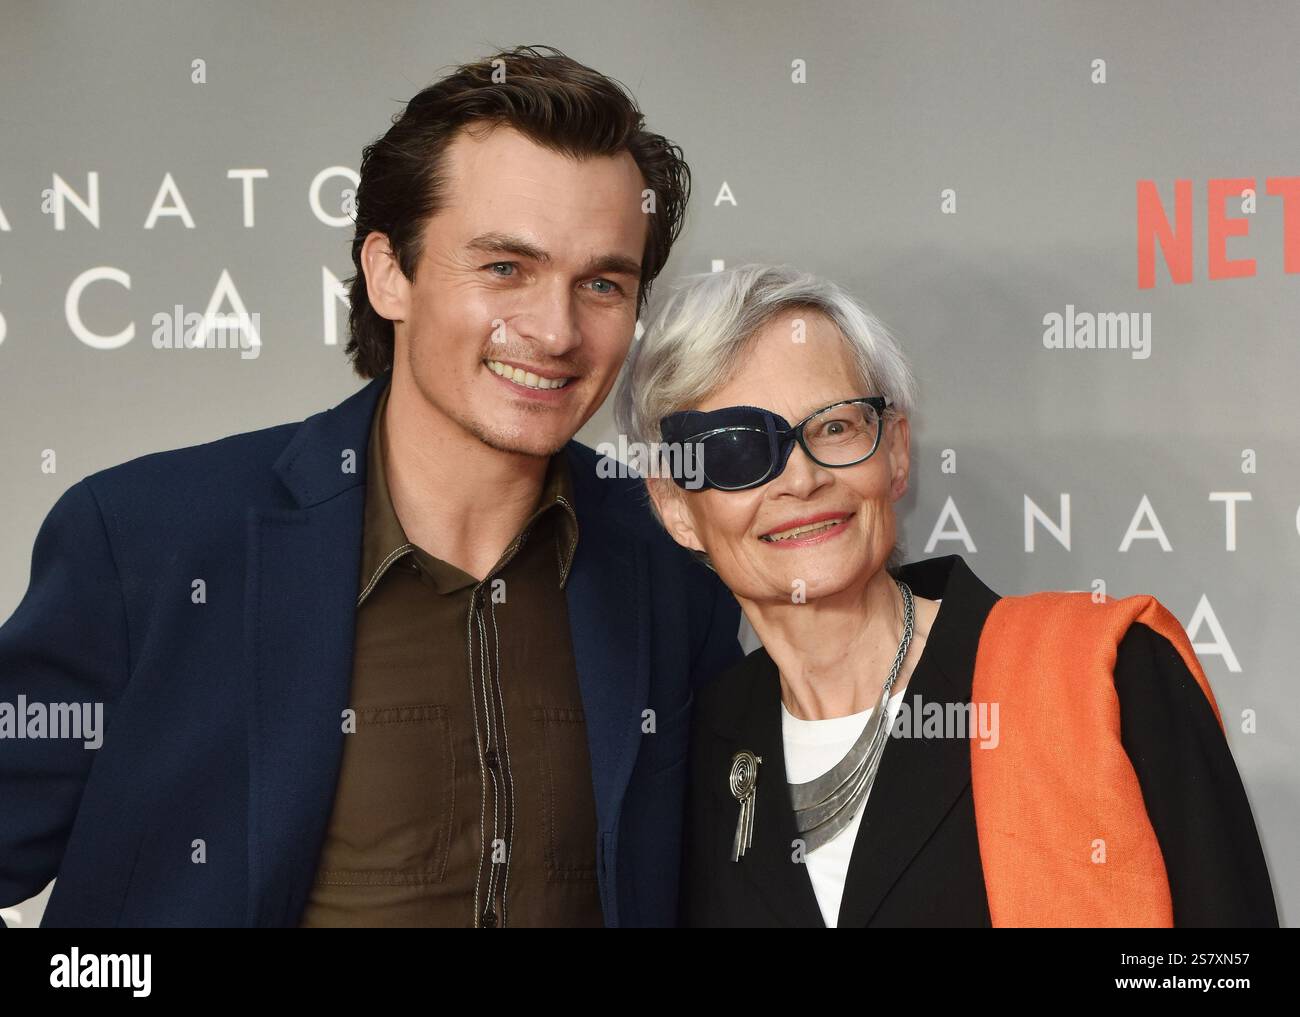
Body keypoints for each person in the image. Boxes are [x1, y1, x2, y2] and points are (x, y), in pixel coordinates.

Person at [0, 45, 743, 929]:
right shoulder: (147, 542)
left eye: (603, 283)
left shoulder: (675, 556)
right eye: (505, 267)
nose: (555, 330)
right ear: (390, 272)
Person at [615, 262, 1279, 927]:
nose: (802, 477)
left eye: (835, 426)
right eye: (736, 449)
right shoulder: (701, 745)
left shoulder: (1102, 673)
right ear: (675, 505)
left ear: (896, 452)